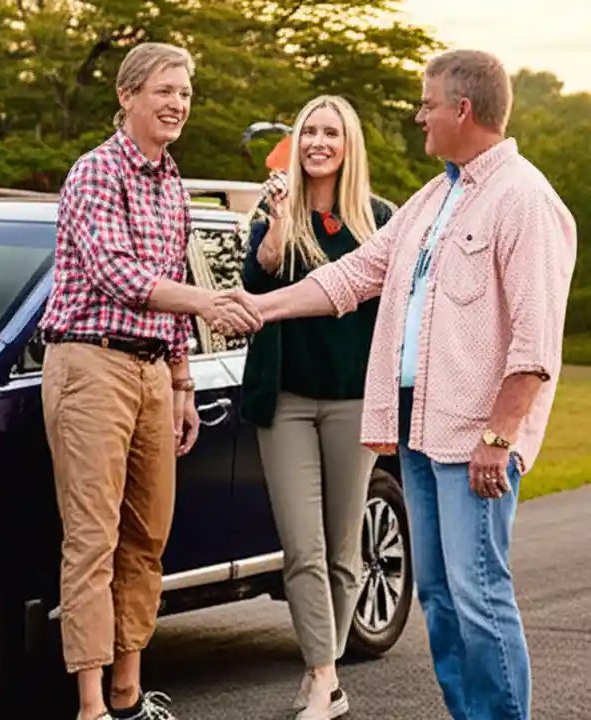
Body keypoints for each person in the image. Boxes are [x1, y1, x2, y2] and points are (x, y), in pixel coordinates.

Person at [245, 49, 577, 720]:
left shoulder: (525, 199)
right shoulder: (435, 197)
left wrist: (499, 435)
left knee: (480, 596)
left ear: (462, 109)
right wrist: (258, 307)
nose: (418, 115)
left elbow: (536, 342)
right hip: (419, 430)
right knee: (441, 598)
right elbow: (354, 276)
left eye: (427, 104)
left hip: (474, 442)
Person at [38, 41, 261, 720]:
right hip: (90, 363)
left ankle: (129, 696)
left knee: (146, 537)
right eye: (166, 91)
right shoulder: (96, 174)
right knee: (93, 539)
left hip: (152, 373)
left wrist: (183, 382)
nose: (178, 104)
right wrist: (205, 302)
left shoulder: (171, 182)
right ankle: (90, 707)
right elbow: (119, 275)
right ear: (128, 94)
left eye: (186, 93)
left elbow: (164, 298)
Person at [239, 94, 393, 720]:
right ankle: (325, 676)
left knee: (341, 551)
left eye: (330, 132)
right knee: (301, 548)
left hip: (354, 400)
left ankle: (321, 678)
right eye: (309, 132)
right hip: (288, 401)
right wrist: (277, 220)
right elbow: (257, 284)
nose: (318, 143)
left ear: (348, 144)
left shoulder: (381, 220)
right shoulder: (273, 211)